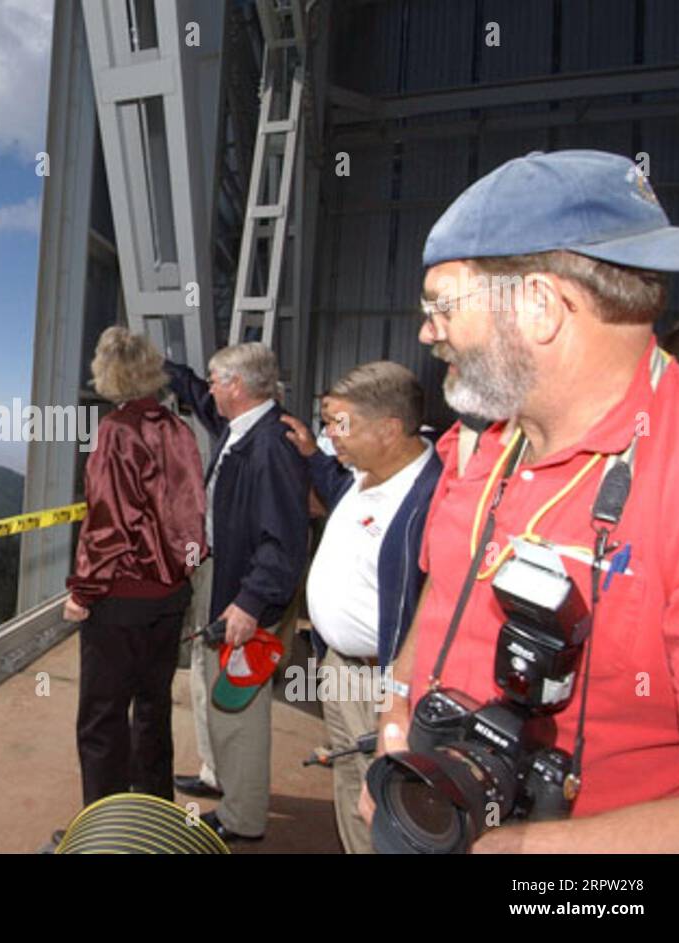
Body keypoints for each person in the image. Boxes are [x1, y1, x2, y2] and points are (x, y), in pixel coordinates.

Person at [363, 149, 679, 852]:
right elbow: (445, 588)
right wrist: (397, 714)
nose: (427, 331)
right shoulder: (481, 440)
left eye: (443, 304)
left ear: (541, 305)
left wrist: (526, 856)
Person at [279, 362, 441, 853]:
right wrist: (312, 453)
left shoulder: (432, 499)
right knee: (351, 783)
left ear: (390, 429)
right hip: (339, 669)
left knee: (389, 805)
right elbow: (331, 478)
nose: (331, 435)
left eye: (340, 425)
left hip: (385, 685)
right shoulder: (360, 474)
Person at [164, 342, 309, 842]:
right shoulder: (242, 427)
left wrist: (249, 602)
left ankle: (242, 818)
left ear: (237, 386)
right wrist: (165, 370)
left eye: (213, 380)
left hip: (244, 591)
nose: (208, 389)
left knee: (238, 706)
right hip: (223, 578)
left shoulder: (271, 446)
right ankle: (220, 779)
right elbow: (200, 402)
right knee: (209, 680)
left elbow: (284, 540)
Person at [62, 326, 206, 807]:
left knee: (102, 719)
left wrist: (83, 592)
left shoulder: (117, 431)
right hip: (171, 597)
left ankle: (105, 829)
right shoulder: (178, 429)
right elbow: (191, 510)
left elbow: (108, 524)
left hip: (121, 598)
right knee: (152, 707)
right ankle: (153, 818)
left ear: (108, 373)